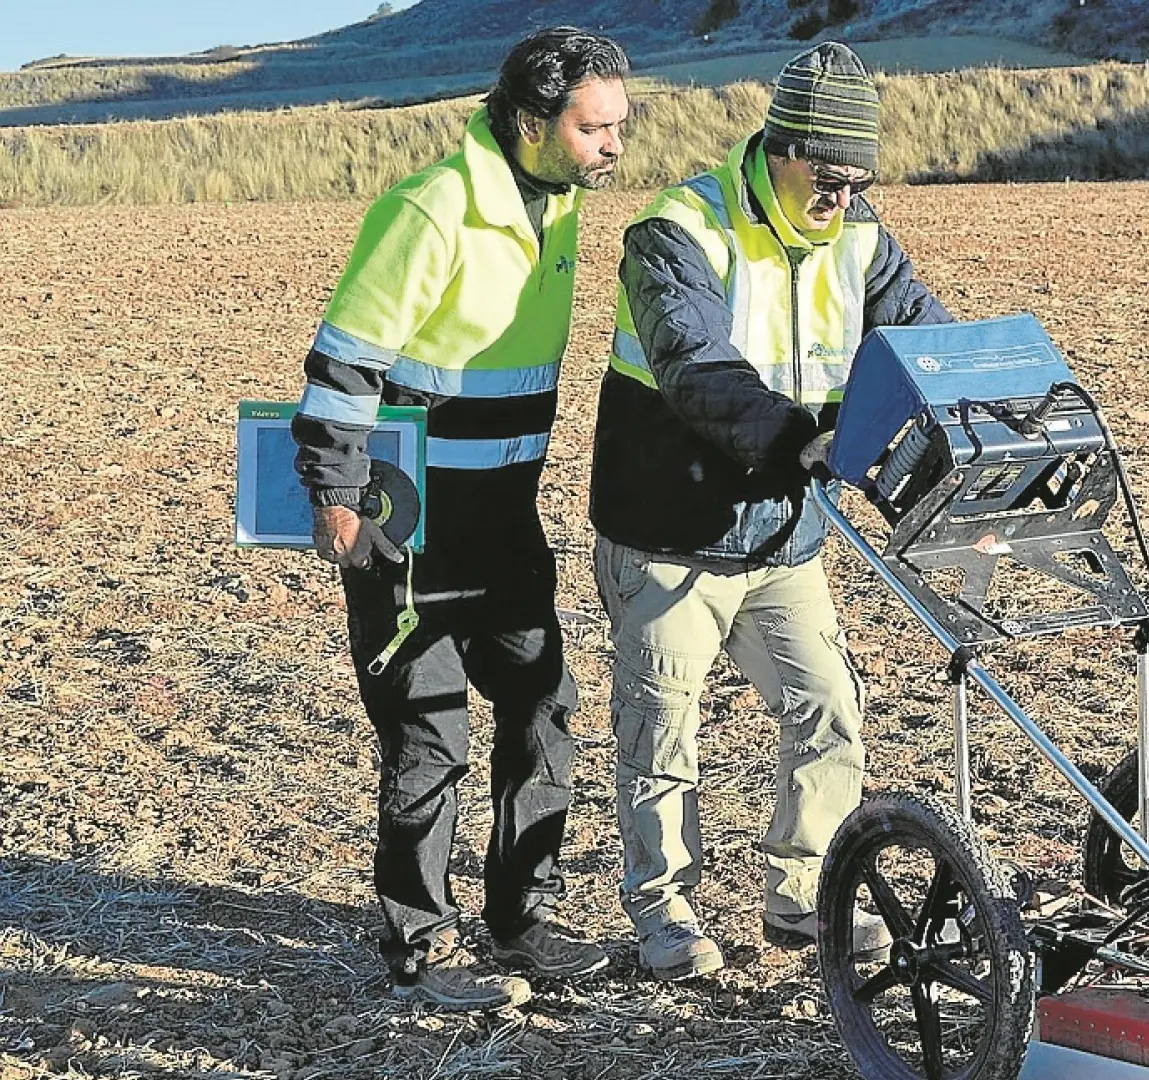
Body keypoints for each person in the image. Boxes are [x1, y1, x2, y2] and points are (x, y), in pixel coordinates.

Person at [589, 41, 953, 980]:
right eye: (827, 179)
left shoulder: (862, 238)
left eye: (858, 181)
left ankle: (804, 896)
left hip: (784, 537)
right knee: (662, 730)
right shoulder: (679, 230)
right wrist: (802, 439)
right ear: (779, 148)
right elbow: (697, 368)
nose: (842, 200)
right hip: (670, 537)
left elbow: (929, 340)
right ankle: (664, 911)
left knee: (830, 706)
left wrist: (989, 407)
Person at [291, 26, 630, 1010]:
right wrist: (339, 501)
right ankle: (419, 945)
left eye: (619, 126)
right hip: (410, 527)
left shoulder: (555, 206)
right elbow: (344, 367)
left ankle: (519, 922)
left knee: (543, 703)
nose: (613, 146)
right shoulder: (430, 210)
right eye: (593, 128)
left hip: (505, 523)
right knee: (429, 734)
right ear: (533, 121)